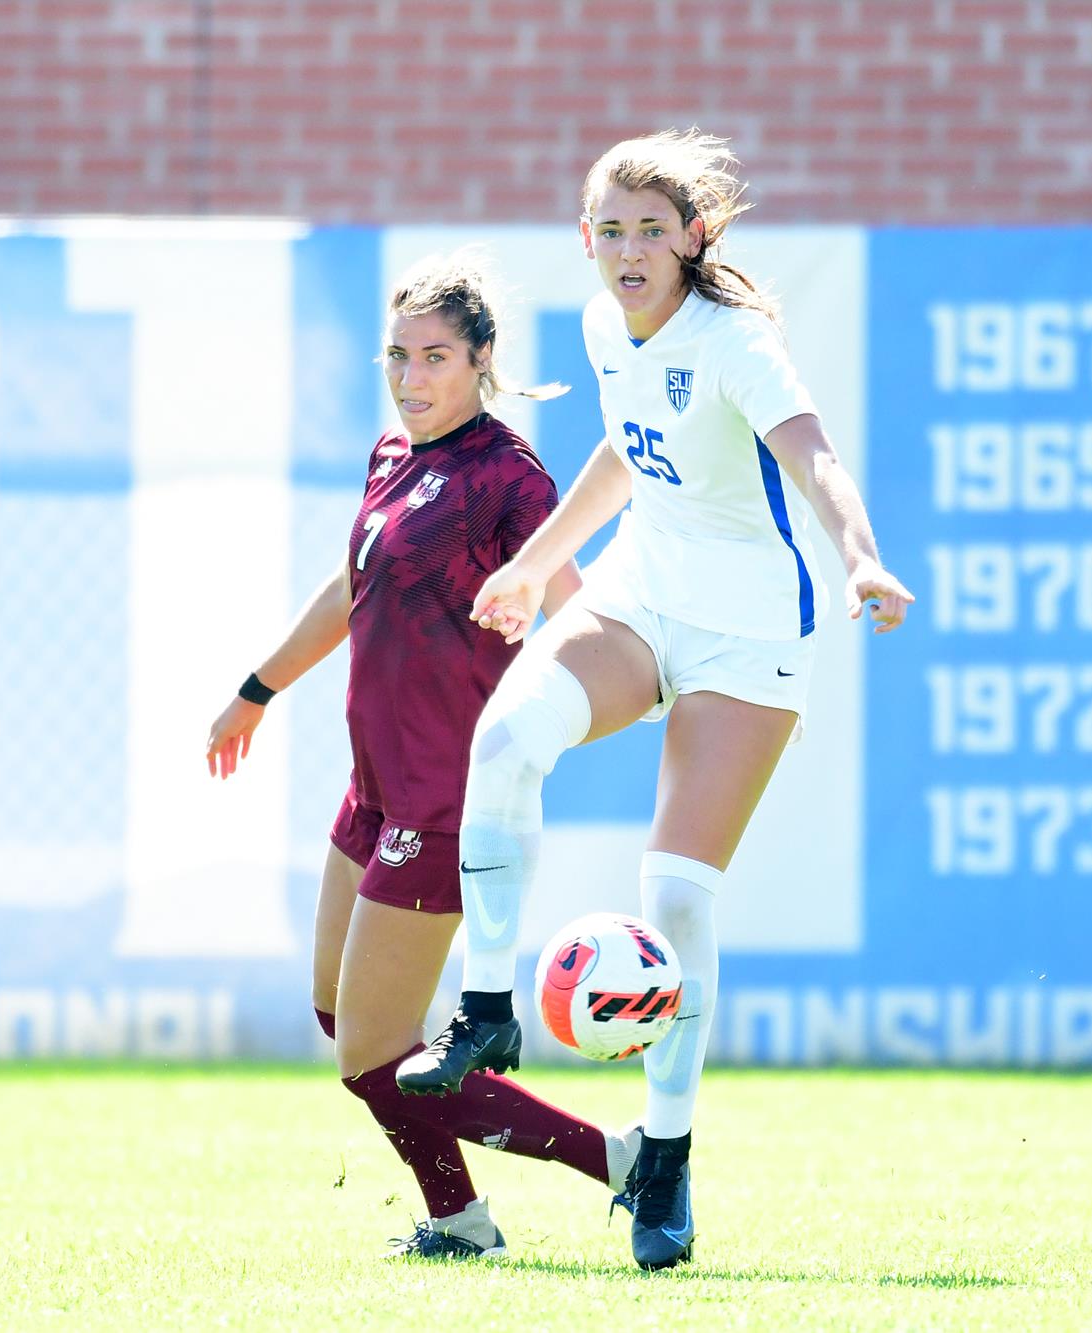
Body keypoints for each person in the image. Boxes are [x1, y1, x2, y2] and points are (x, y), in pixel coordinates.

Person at [396, 129, 914, 1270]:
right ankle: (486, 1006)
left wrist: (861, 560)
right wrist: (536, 564)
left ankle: (665, 1160)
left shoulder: (736, 340)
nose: (629, 250)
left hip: (744, 636)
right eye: (610, 231)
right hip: (640, 594)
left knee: (672, 899)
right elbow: (629, 454)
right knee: (507, 736)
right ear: (585, 242)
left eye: (649, 229)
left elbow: (816, 457)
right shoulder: (598, 323)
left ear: (689, 237)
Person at [204, 255, 640, 1261]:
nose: (410, 376)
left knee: (372, 1052)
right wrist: (257, 688)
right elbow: (350, 587)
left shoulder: (507, 477)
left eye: (435, 356)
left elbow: (574, 614)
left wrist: (545, 703)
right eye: (397, 355)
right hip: (374, 790)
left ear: (482, 361)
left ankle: (616, 1162)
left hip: (446, 802)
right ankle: (462, 1220)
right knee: (343, 1024)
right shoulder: (390, 455)